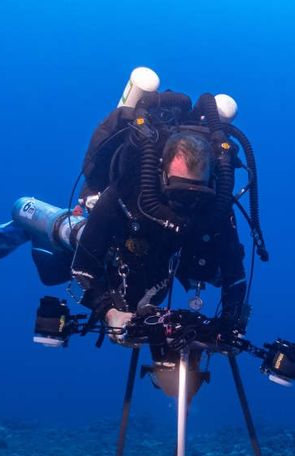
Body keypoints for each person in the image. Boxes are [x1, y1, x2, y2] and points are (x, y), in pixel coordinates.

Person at [71, 127, 248, 344]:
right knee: (52, 270)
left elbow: (234, 274)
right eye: (180, 192)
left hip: (172, 266)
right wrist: (109, 313)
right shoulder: (128, 191)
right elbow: (82, 268)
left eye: (197, 193)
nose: (187, 203)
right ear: (162, 174)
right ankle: (30, 221)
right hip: (124, 257)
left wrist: (231, 325)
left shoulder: (216, 206)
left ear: (211, 182)